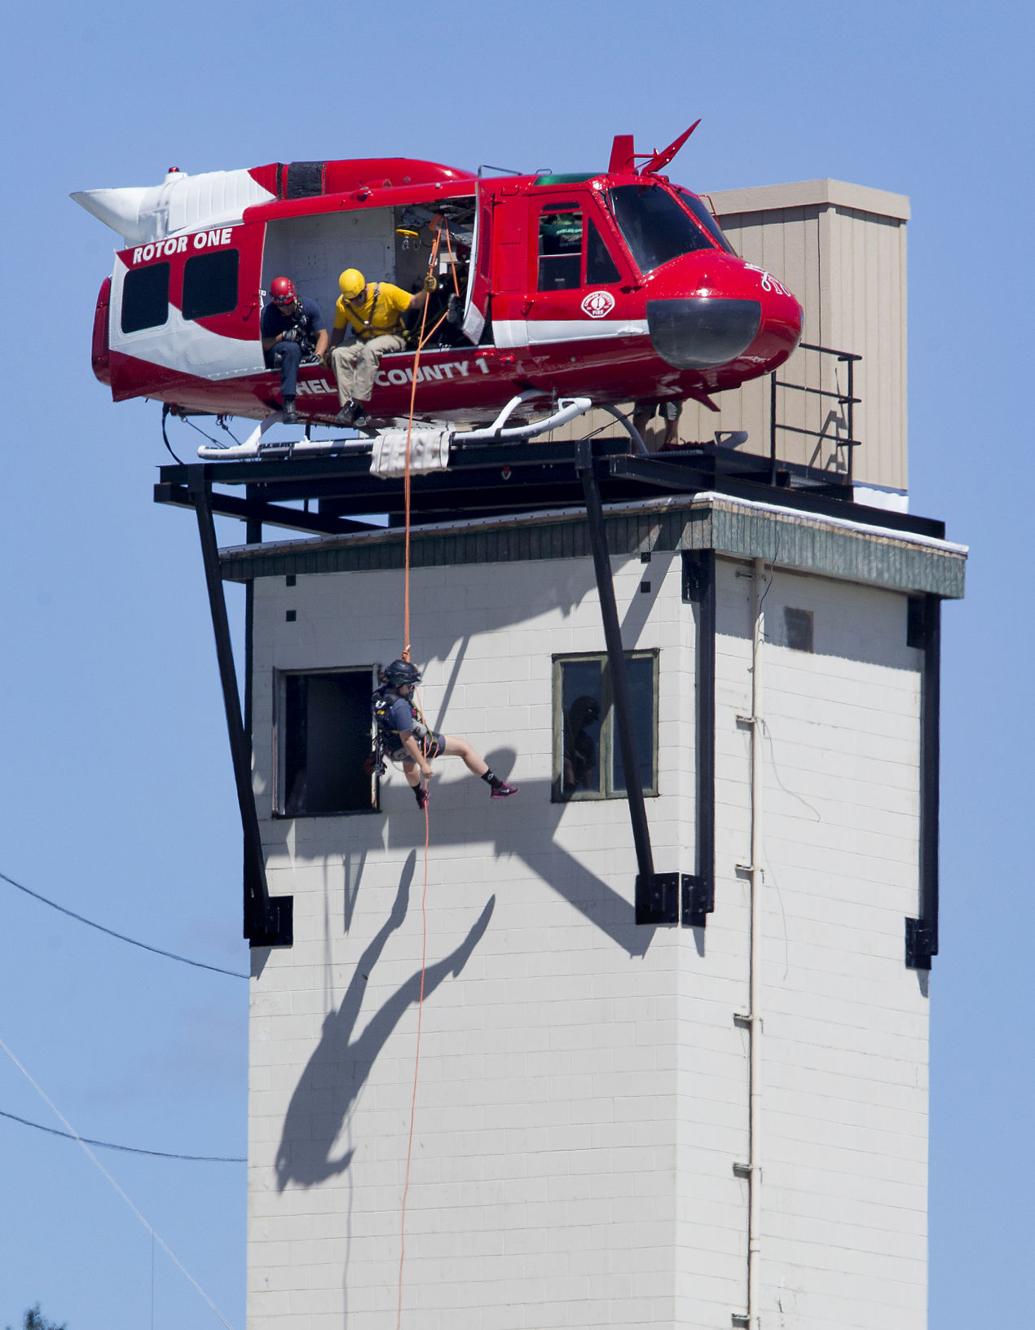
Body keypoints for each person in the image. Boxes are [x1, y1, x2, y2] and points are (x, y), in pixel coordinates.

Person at [372, 659, 517, 810]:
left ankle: (419, 795)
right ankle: (496, 786)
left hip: (393, 748)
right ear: (398, 684)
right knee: (464, 748)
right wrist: (424, 765)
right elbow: (408, 739)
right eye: (409, 685)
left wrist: (410, 669)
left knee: (409, 766)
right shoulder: (400, 706)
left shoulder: (379, 695)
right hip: (411, 744)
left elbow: (397, 704)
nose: (411, 689)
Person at [326, 268, 437, 427]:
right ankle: (352, 410)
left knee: (370, 349)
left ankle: (355, 404)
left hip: (393, 337)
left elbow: (415, 302)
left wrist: (426, 291)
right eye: (352, 300)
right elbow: (338, 330)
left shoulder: (385, 291)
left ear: (365, 288)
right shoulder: (343, 304)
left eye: (359, 297)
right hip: (364, 340)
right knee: (339, 354)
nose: (356, 302)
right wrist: (330, 351)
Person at [260, 277, 328, 423]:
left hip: (304, 348)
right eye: (281, 306)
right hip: (277, 351)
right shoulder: (268, 314)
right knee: (291, 349)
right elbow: (264, 345)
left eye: (288, 304)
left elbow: (322, 334)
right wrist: (283, 336)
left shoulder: (309, 307)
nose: (285, 309)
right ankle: (289, 403)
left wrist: (318, 354)